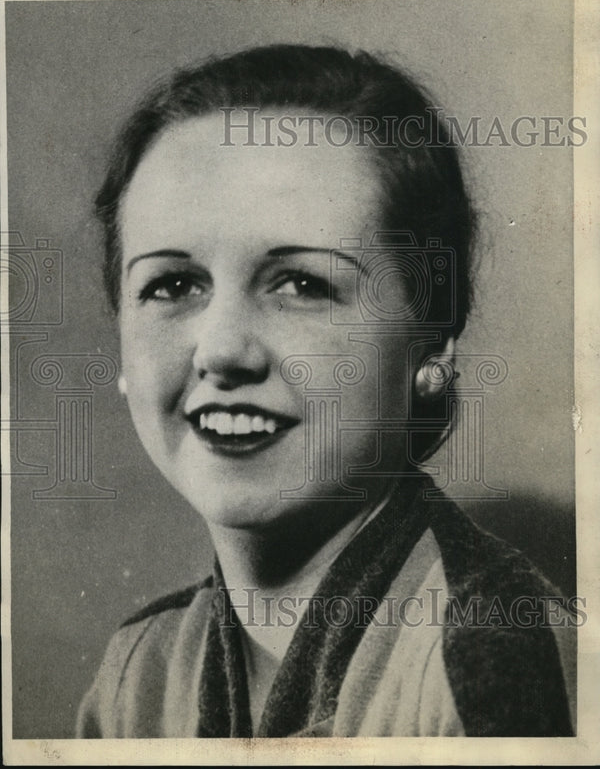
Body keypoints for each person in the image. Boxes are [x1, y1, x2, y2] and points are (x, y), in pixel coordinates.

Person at [76, 44, 575, 738]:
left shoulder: (491, 655)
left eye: (303, 284)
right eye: (173, 285)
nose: (222, 350)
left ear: (432, 344)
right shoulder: (139, 672)